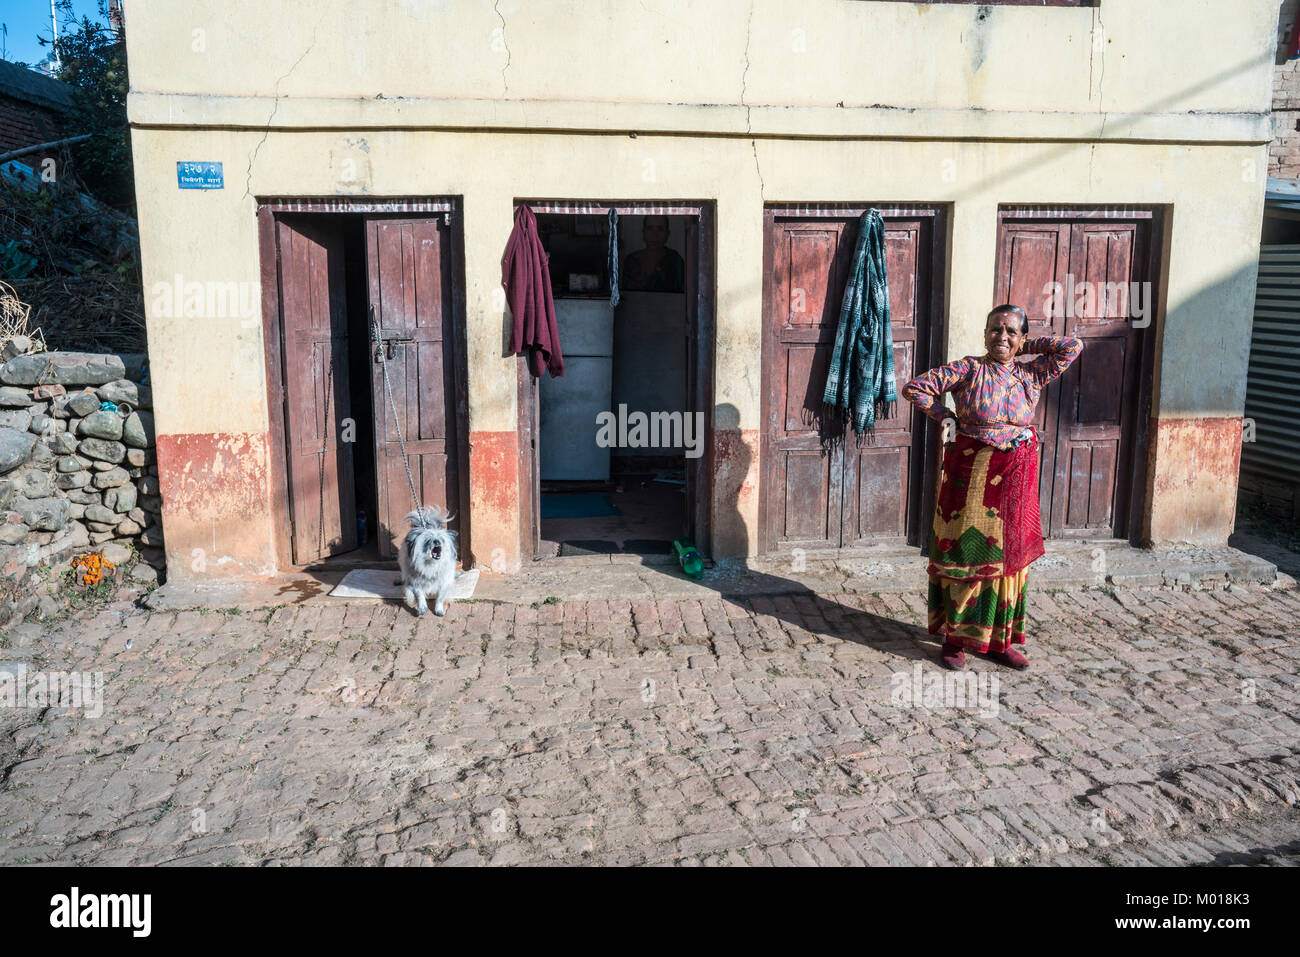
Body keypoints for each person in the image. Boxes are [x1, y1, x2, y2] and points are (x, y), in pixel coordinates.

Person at [901, 305, 1083, 671]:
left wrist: (1027, 344)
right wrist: (946, 416)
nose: (1002, 336)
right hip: (972, 477)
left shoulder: (1032, 374)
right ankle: (956, 639)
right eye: (995, 329)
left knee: (1010, 560)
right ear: (985, 335)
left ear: (1022, 338)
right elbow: (915, 388)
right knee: (966, 554)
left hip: (1015, 477)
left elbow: (1072, 347)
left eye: (1011, 331)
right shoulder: (968, 369)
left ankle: (999, 641)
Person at [622, 216, 685, 292]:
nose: (654, 235)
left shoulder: (675, 260)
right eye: (650, 228)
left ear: (667, 234)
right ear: (643, 232)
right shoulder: (631, 261)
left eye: (660, 229)